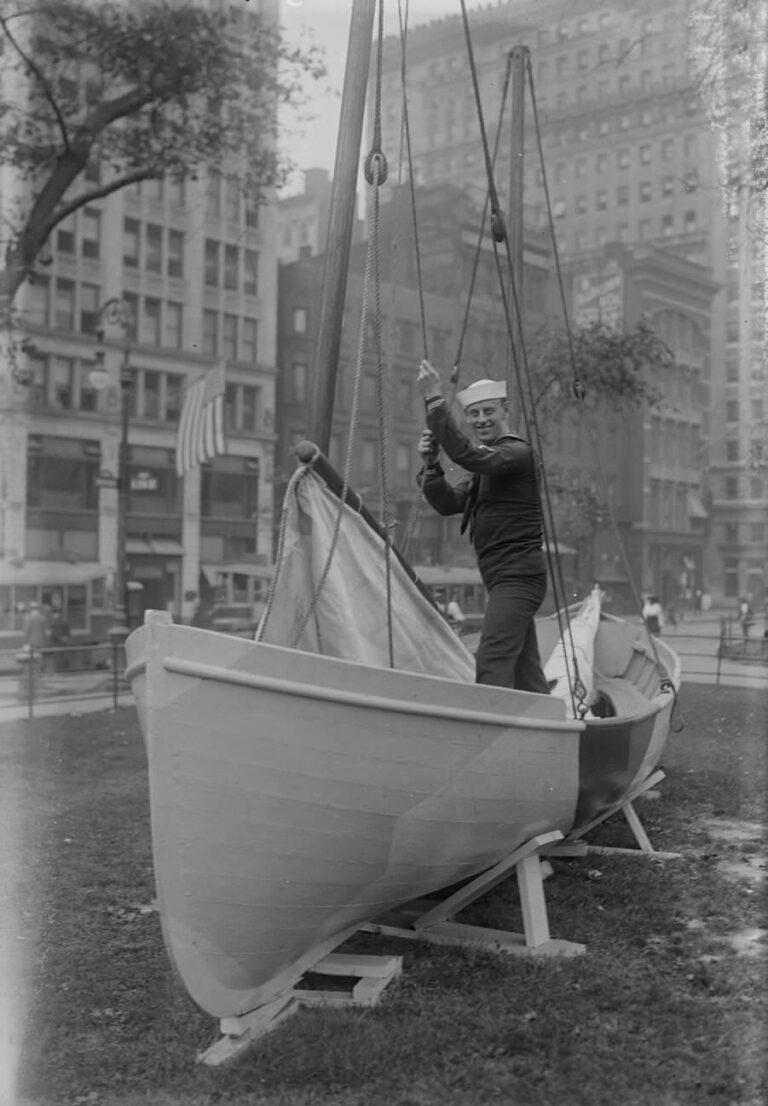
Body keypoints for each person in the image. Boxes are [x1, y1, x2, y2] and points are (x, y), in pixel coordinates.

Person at [415, 362, 550, 693]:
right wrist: (431, 465)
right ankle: (548, 725)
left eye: (488, 411)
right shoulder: (487, 469)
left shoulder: (515, 455)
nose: (481, 420)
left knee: (492, 660)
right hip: (502, 577)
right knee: (524, 668)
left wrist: (433, 397)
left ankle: (489, 736)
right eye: (473, 415)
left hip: (518, 576)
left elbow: (466, 454)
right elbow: (447, 503)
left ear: (505, 410)